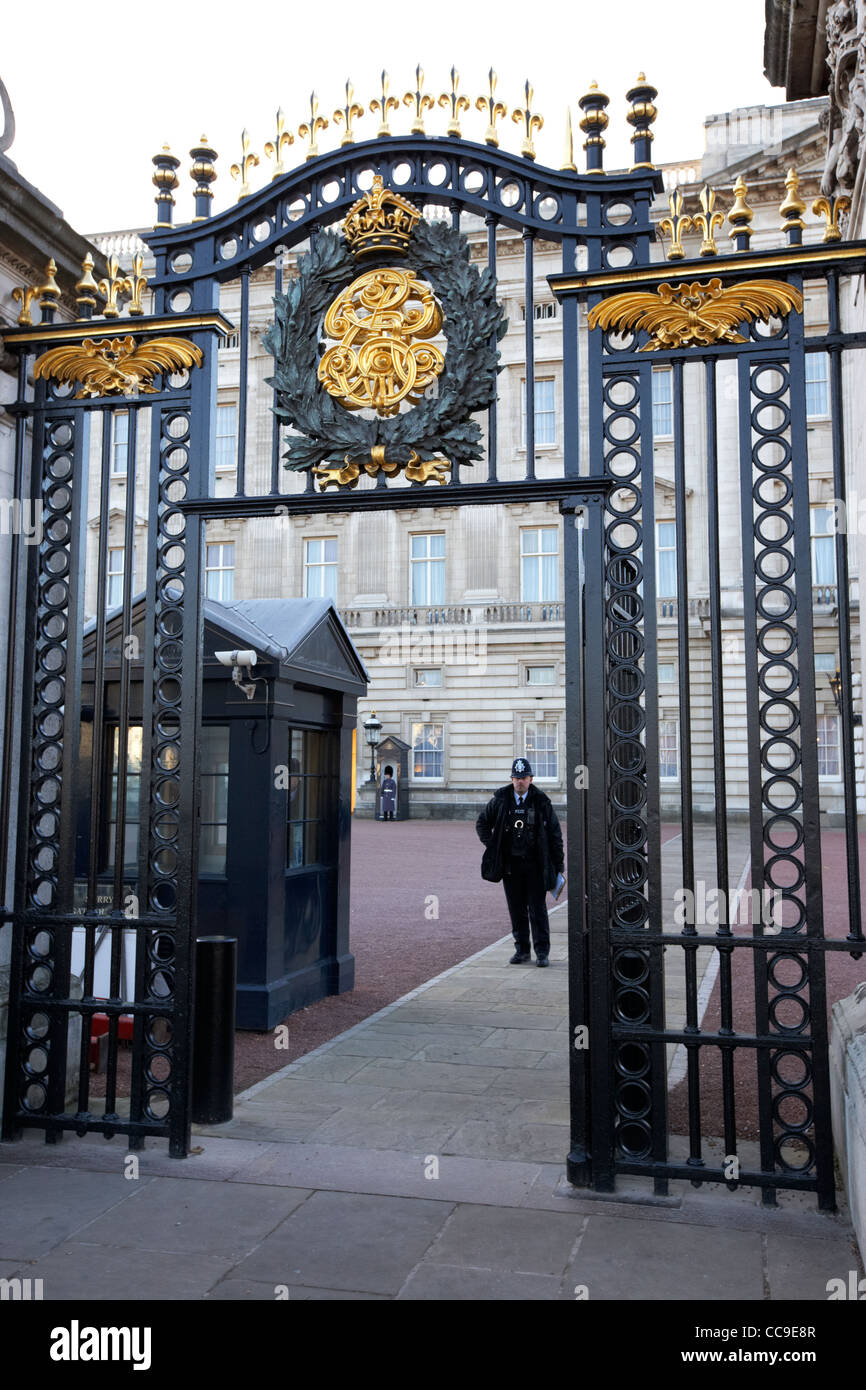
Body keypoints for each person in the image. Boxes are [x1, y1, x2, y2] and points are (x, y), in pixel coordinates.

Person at [475, 756, 564, 967]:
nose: (520, 782)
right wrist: (493, 845)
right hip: (510, 867)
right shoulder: (500, 799)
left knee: (537, 910)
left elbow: (555, 835)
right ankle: (522, 951)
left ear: (531, 778)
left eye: (523, 777)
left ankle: (542, 953)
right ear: (511, 779)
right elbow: (482, 823)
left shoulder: (541, 801)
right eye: (516, 778)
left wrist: (558, 866)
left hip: (535, 866)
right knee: (516, 910)